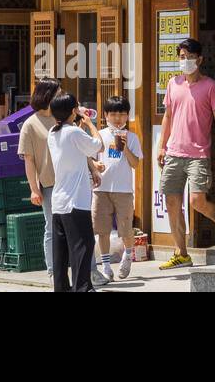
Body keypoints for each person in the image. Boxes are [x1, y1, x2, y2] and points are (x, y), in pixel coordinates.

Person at [157, 37, 215, 269]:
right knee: (172, 203)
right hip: (174, 152)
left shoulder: (211, 86)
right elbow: (167, 116)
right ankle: (182, 253)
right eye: (182, 57)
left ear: (200, 59)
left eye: (190, 57)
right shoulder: (172, 84)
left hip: (199, 153)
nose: (185, 61)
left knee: (197, 200)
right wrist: (161, 145)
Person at [45, 91, 103, 292]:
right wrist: (89, 124)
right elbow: (98, 145)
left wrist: (92, 169)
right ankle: (82, 288)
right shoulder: (74, 132)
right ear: (72, 111)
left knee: (60, 250)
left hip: (59, 201)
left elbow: (78, 150)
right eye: (76, 107)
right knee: (83, 246)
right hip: (75, 201)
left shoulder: (53, 132)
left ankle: (61, 288)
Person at [92, 94, 142, 284]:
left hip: (123, 190)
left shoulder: (132, 137)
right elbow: (92, 158)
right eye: (113, 114)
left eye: (122, 114)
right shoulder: (99, 136)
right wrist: (96, 167)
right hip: (101, 189)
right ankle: (105, 267)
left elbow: (135, 164)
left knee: (125, 229)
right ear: (105, 115)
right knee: (102, 230)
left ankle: (128, 256)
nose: (117, 118)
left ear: (127, 116)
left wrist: (125, 148)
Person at [18, 77, 60, 276]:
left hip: (69, 181)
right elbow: (29, 160)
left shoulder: (61, 117)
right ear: (47, 96)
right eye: (58, 94)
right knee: (51, 228)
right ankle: (53, 271)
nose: (60, 98)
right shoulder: (30, 125)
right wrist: (34, 189)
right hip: (49, 183)